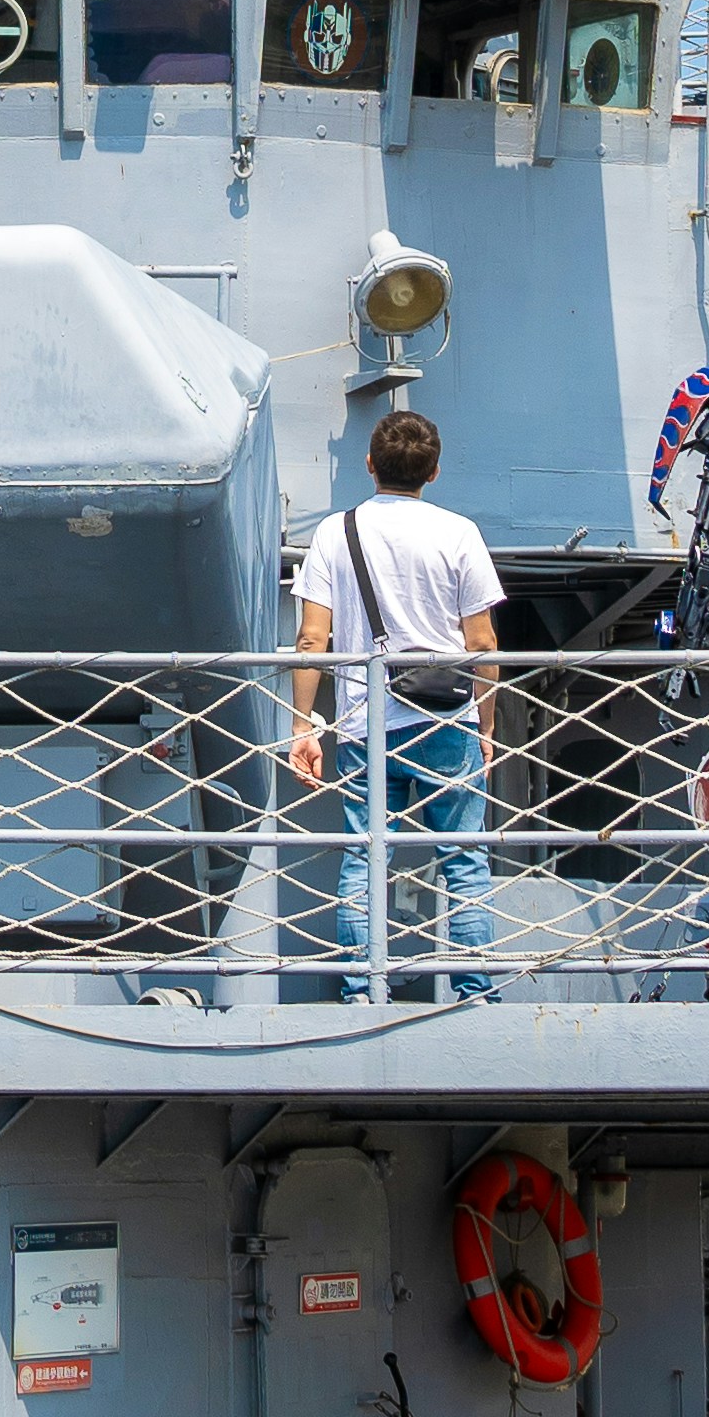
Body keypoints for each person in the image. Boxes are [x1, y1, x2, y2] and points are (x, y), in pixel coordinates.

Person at [288, 402, 502, 998]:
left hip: (364, 721)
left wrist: (303, 726)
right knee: (463, 861)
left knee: (363, 860)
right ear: (433, 472)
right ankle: (474, 992)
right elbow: (481, 641)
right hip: (448, 720)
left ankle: (362, 992)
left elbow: (312, 638)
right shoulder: (459, 533)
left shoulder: (336, 531)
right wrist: (485, 724)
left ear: (369, 466)